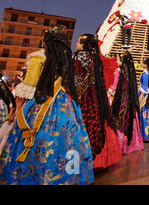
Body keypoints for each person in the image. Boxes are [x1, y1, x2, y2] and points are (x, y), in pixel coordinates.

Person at [0, 25, 94, 185]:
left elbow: (26, 90)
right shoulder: (65, 60)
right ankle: (69, 176)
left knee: (30, 143)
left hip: (40, 104)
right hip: (65, 107)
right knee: (69, 142)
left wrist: (16, 110)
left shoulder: (38, 58)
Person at [73, 34, 122, 169]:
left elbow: (75, 79)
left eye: (78, 41)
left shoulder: (79, 57)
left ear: (83, 44)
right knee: (95, 124)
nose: (76, 44)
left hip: (82, 99)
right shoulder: (96, 59)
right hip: (95, 98)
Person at [110, 51, 143, 154]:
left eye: (118, 59)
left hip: (122, 101)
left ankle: (121, 144)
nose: (116, 61)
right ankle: (133, 144)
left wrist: (110, 91)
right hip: (130, 102)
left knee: (120, 121)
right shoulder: (130, 71)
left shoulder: (120, 72)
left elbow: (117, 86)